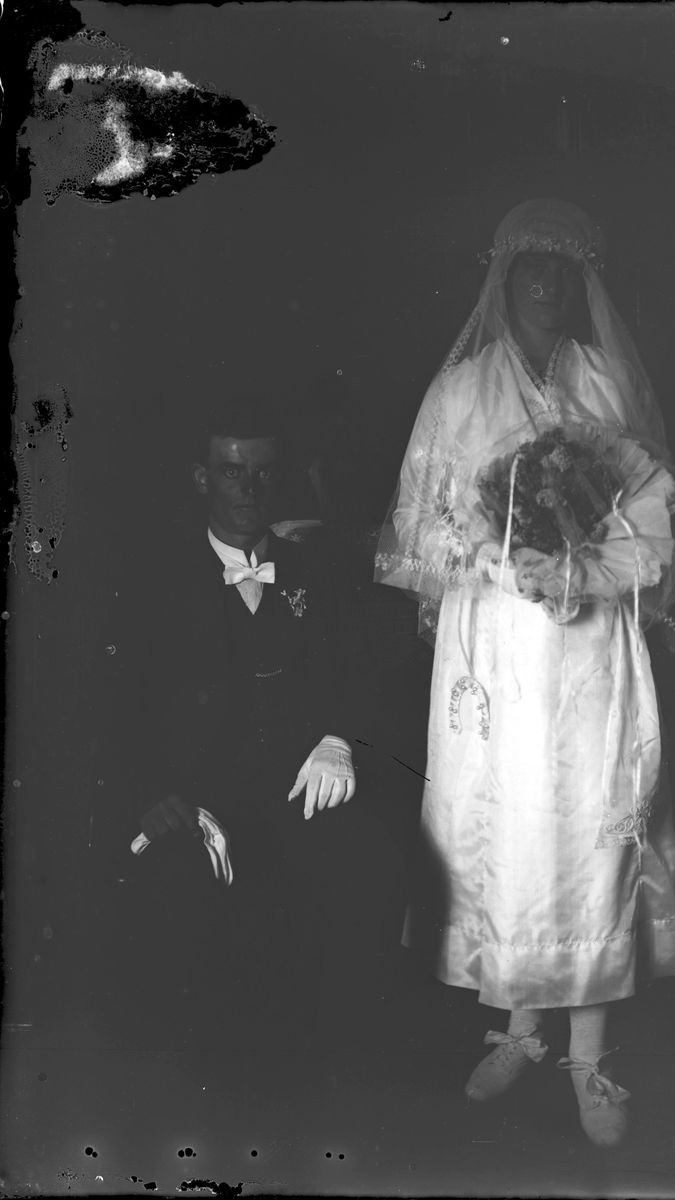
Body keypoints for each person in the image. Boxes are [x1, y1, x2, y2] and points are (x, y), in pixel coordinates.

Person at [375, 199, 675, 1146]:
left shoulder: (606, 383)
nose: (548, 281)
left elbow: (653, 516)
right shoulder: (462, 391)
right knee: (512, 826)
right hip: (501, 644)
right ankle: (519, 1030)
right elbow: (419, 529)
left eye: (563, 266)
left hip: (592, 645)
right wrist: (502, 563)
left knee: (592, 822)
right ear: (502, 278)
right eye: (530, 266)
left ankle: (591, 1057)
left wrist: (582, 569)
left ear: (585, 279)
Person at [106, 401, 393, 1055]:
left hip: (297, 796)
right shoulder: (152, 583)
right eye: (232, 472)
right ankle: (204, 1082)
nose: (249, 488)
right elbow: (116, 714)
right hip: (197, 803)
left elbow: (359, 675)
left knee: (370, 855)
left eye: (263, 472)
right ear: (203, 478)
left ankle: (336, 1066)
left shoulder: (315, 573)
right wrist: (156, 796)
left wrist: (340, 739)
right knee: (177, 902)